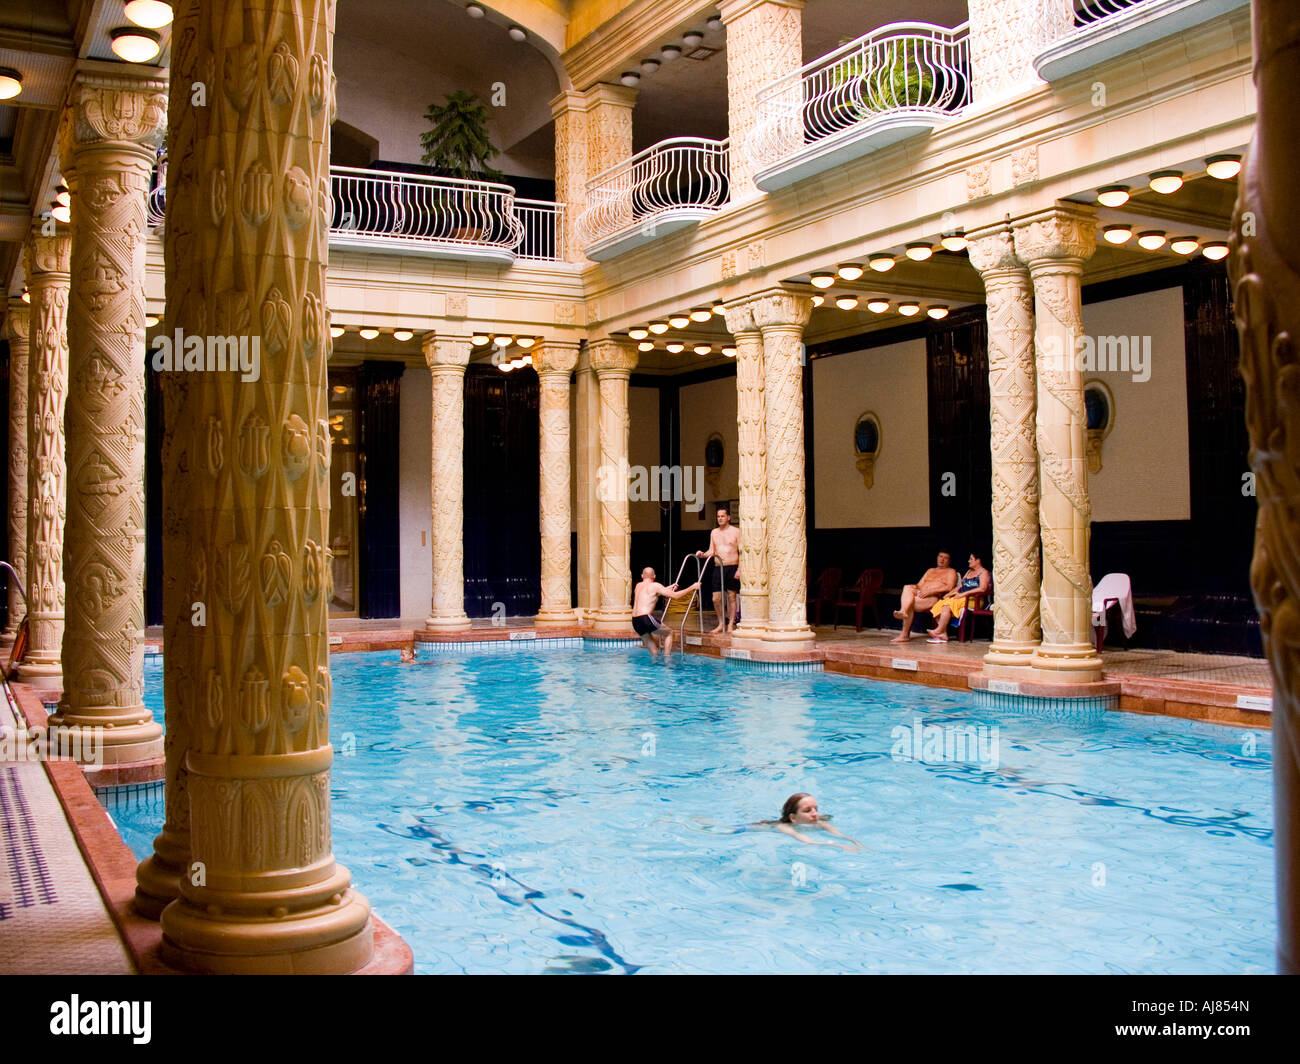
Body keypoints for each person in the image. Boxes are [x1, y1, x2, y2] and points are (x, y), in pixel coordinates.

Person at [892, 550, 959, 643]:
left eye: (945, 558)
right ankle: (903, 610)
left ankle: (904, 634)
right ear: (937, 557)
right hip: (921, 594)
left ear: (949, 561)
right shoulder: (930, 570)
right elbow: (919, 585)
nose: (942, 559)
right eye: (940, 556)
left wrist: (931, 591)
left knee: (909, 604)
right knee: (907, 587)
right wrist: (914, 587)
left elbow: (949, 587)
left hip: (934, 598)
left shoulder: (951, 571)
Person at [632, 567, 699, 656]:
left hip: (635, 621)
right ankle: (667, 661)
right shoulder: (655, 585)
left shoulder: (638, 586)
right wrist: (692, 587)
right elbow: (675, 596)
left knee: (654, 652)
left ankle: (654, 665)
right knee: (669, 633)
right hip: (645, 618)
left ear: (642, 576)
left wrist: (669, 588)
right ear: (654, 576)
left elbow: (652, 594)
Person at [759, 793, 862, 851]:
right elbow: (808, 842)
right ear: (793, 818)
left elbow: (841, 835)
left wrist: (857, 843)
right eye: (807, 811)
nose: (815, 814)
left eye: (815, 809)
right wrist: (840, 846)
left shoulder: (820, 823)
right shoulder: (784, 827)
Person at [926, 552, 991, 642]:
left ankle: (938, 631)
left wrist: (963, 594)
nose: (969, 561)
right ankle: (943, 633)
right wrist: (949, 594)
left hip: (973, 600)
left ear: (978, 560)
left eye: (971, 559)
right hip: (960, 598)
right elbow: (959, 586)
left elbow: (982, 589)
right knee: (941, 604)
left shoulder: (984, 573)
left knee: (948, 604)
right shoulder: (969, 572)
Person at [695, 505, 741, 634]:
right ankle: (721, 623)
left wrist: (740, 569)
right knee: (716, 598)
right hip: (718, 567)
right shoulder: (714, 532)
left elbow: (742, 551)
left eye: (722, 516)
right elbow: (712, 550)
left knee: (731, 597)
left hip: (732, 566)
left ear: (728, 517)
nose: (720, 519)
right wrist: (703, 554)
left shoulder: (736, 531)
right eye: (718, 516)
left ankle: (731, 624)